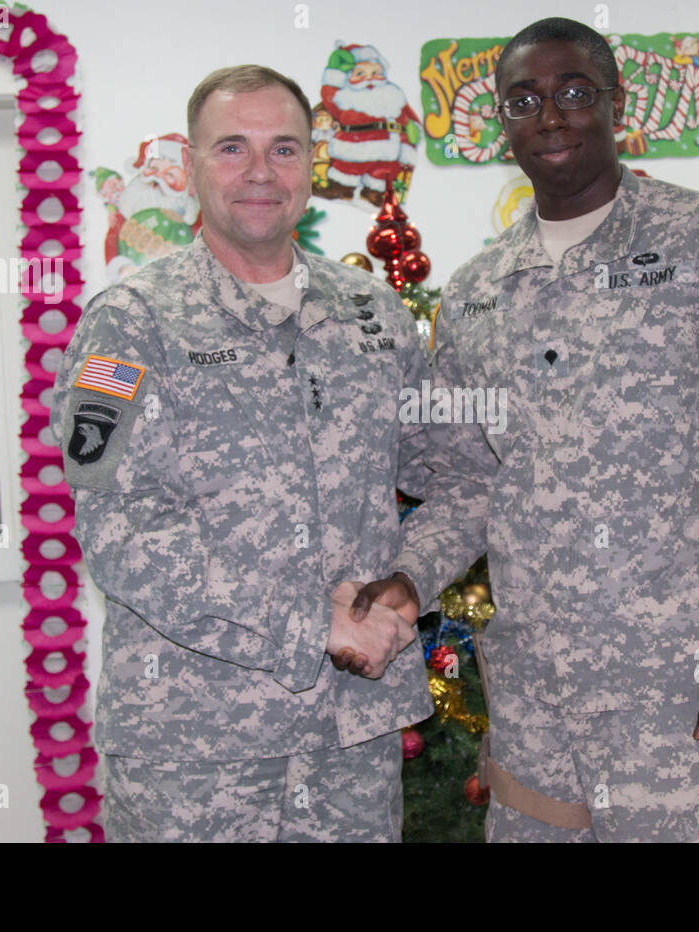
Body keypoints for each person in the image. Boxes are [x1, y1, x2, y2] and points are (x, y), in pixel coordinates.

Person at [351, 17, 699, 842]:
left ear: (615, 105)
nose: (550, 116)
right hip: (535, 708)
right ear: (503, 123)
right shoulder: (480, 292)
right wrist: (410, 578)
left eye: (571, 93)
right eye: (525, 100)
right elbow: (465, 482)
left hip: (684, 702)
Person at [51, 65, 433, 842]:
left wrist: (412, 578)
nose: (260, 172)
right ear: (191, 168)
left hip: (349, 746)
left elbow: (448, 472)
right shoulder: (126, 326)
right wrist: (308, 622)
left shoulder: (374, 314)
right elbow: (119, 531)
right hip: (192, 760)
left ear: (311, 167)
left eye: (284, 149)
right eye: (232, 148)